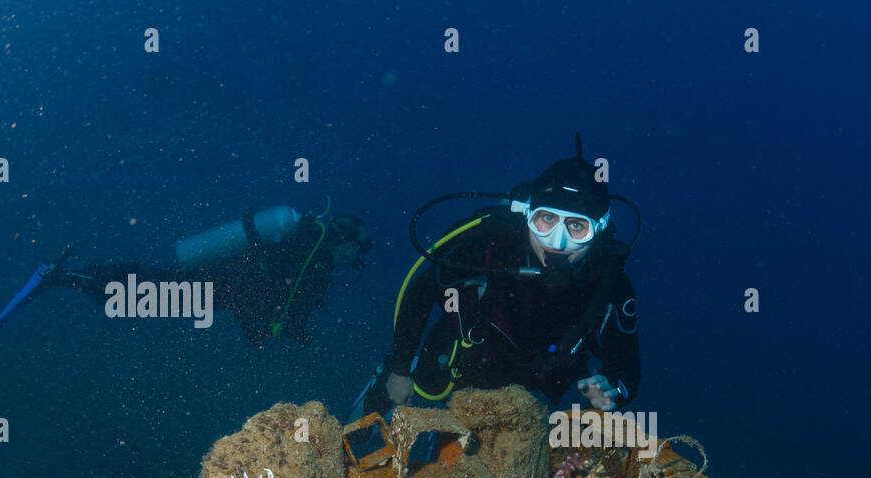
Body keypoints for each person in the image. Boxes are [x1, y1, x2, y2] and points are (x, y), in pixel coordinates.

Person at [359, 135, 641, 417]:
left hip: (524, 383)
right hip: (456, 357)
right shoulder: (491, 247)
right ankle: (374, 395)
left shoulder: (608, 282)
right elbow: (419, 293)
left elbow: (628, 371)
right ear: (528, 214)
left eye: (577, 227)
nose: (557, 242)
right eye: (546, 220)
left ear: (600, 229)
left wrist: (612, 389)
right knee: (412, 388)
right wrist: (400, 369)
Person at [39, 206, 372, 345]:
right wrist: (297, 334)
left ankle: (81, 274)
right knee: (142, 295)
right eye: (360, 248)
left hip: (218, 279)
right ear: (346, 242)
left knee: (150, 284)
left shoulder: (307, 246)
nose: (358, 258)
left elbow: (271, 288)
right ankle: (67, 276)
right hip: (216, 287)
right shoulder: (316, 261)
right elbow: (283, 305)